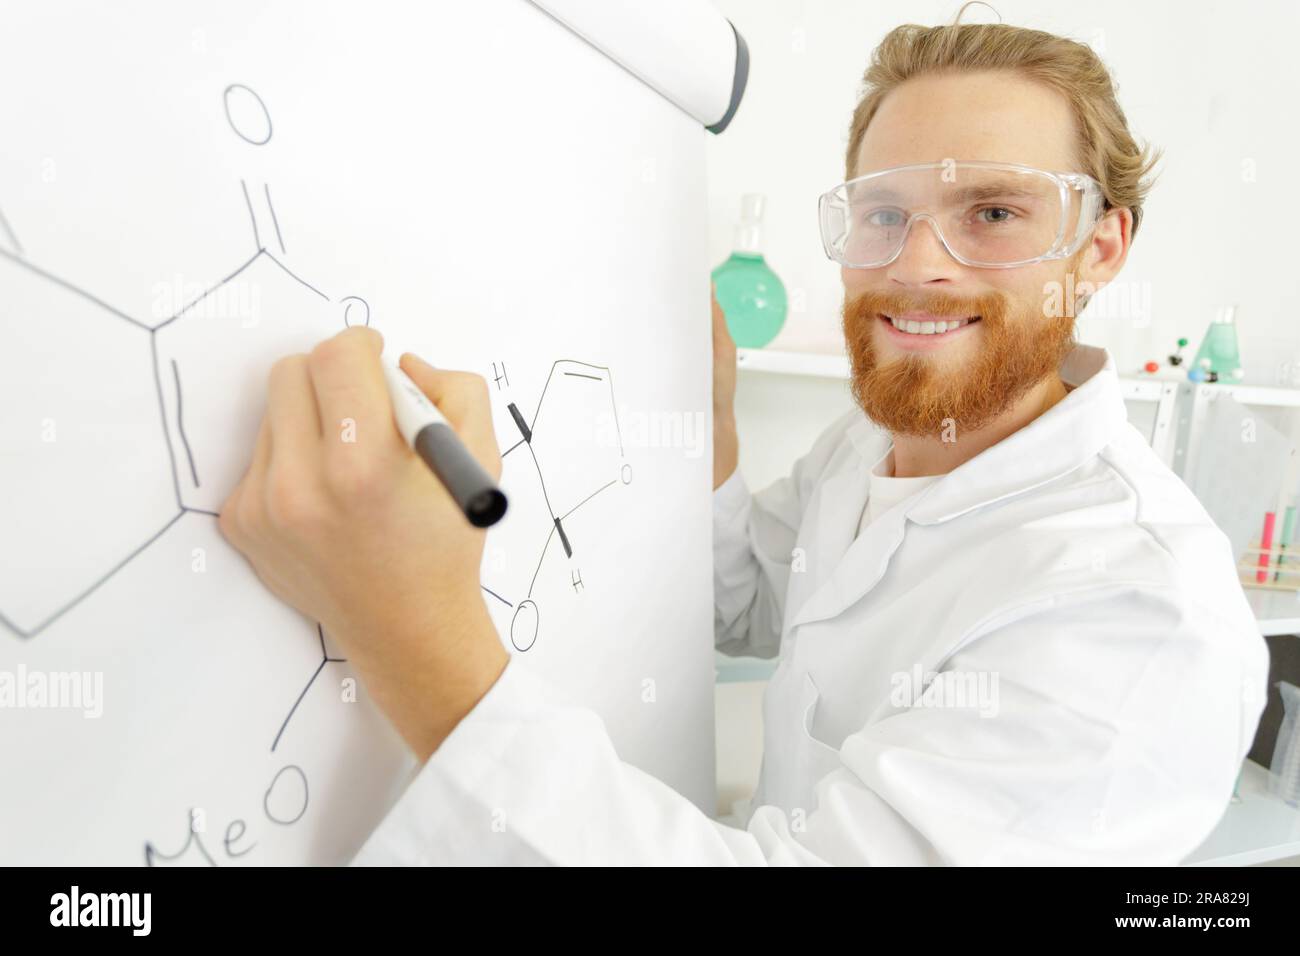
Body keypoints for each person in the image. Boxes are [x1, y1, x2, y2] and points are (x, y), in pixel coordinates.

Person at [218, 17, 1269, 864]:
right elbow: (755, 596)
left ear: (1099, 249)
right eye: (881, 212)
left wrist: (408, 625)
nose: (919, 264)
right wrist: (712, 416)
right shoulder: (871, 440)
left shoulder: (1141, 612)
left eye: (992, 211)